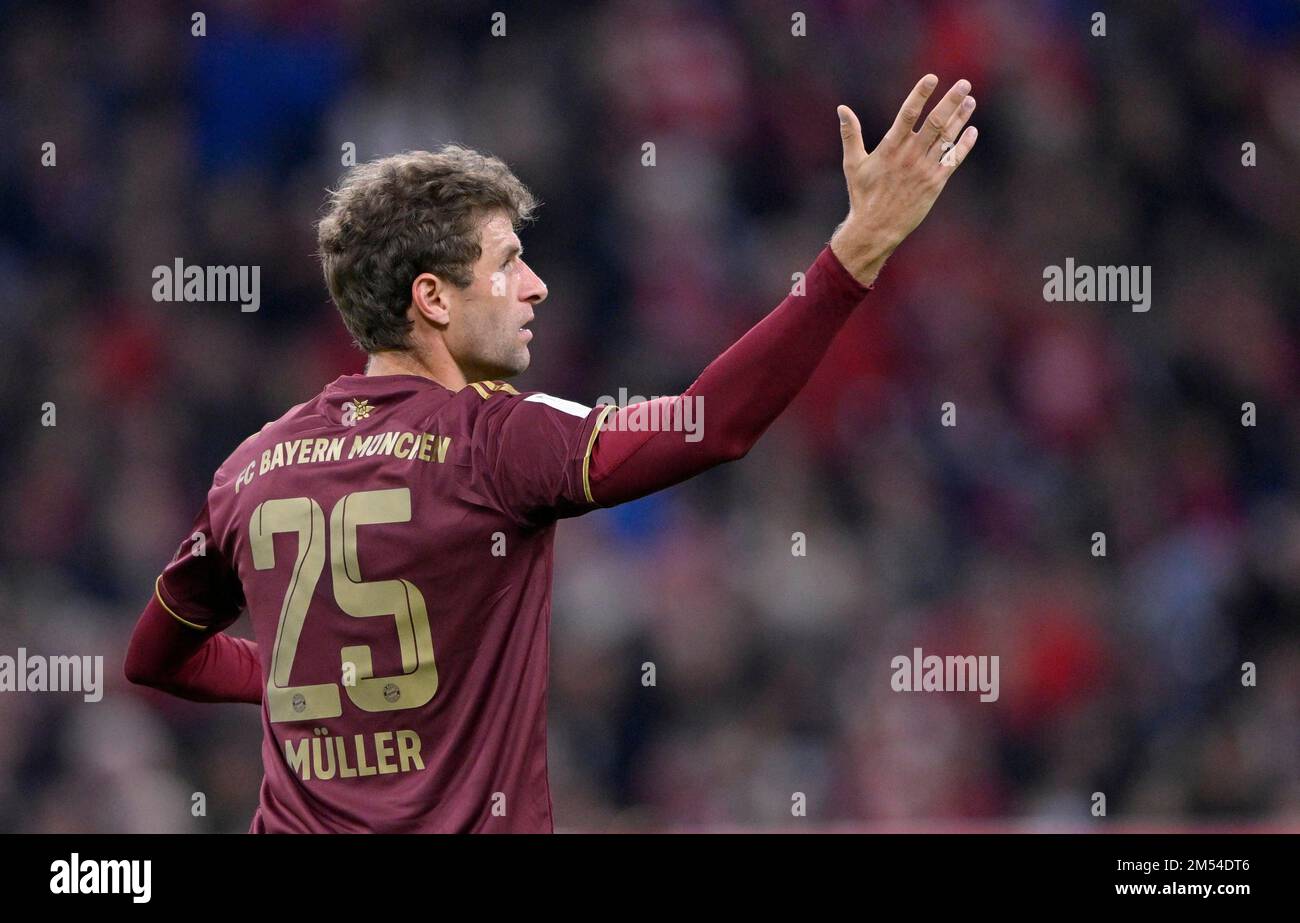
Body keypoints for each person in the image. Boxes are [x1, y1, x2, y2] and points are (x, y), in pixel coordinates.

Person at [125, 75, 978, 832]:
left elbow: (155, 658)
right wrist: (855, 252)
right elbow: (711, 426)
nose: (535, 284)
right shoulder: (495, 442)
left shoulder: (249, 469)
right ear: (432, 297)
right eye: (507, 263)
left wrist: (301, 680)